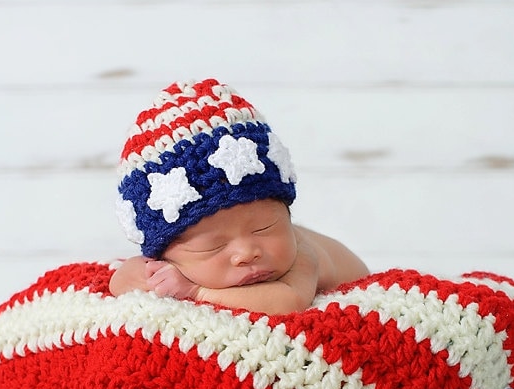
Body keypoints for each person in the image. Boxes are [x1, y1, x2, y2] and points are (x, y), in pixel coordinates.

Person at [110, 78, 369, 313]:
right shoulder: (168, 259)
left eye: (265, 228)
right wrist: (152, 277)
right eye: (214, 245)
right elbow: (121, 281)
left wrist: (195, 291)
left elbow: (287, 302)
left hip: (361, 282)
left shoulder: (302, 254)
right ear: (164, 254)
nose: (246, 252)